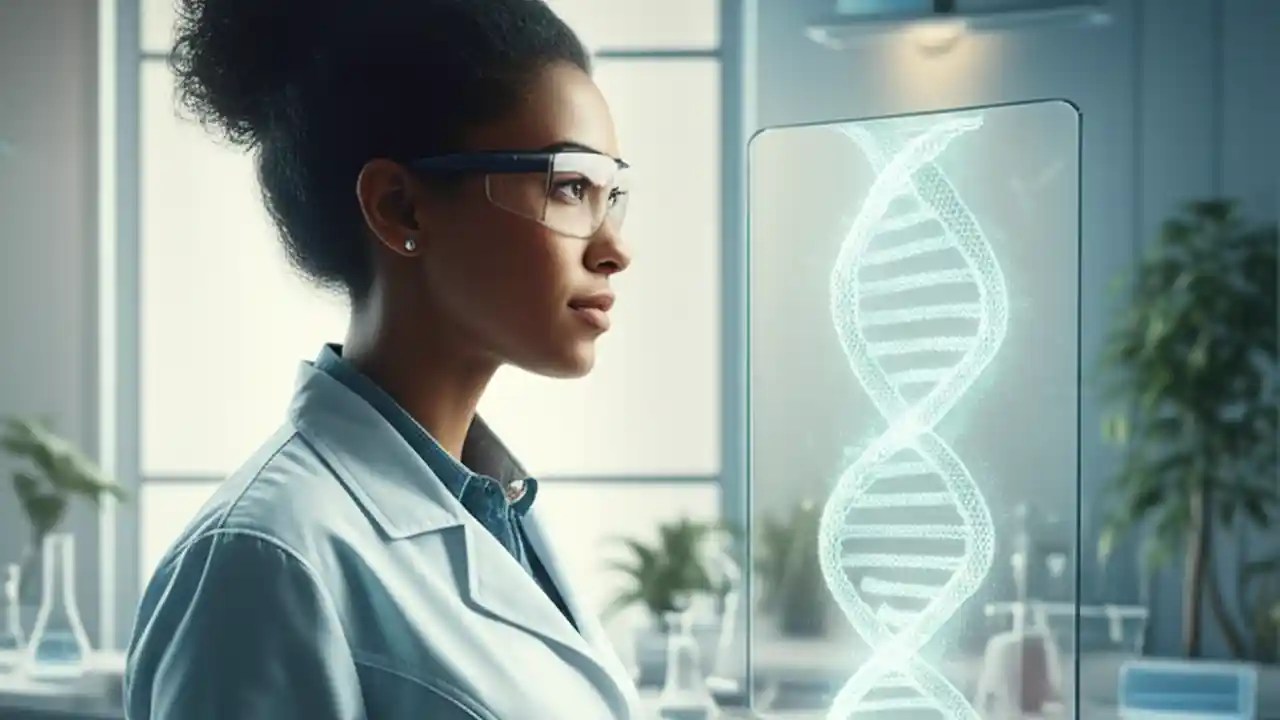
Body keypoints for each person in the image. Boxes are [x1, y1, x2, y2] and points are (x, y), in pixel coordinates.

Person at [123, 0, 640, 717]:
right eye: (569, 187)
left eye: (612, 195)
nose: (614, 249)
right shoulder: (262, 560)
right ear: (400, 208)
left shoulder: (500, 513)